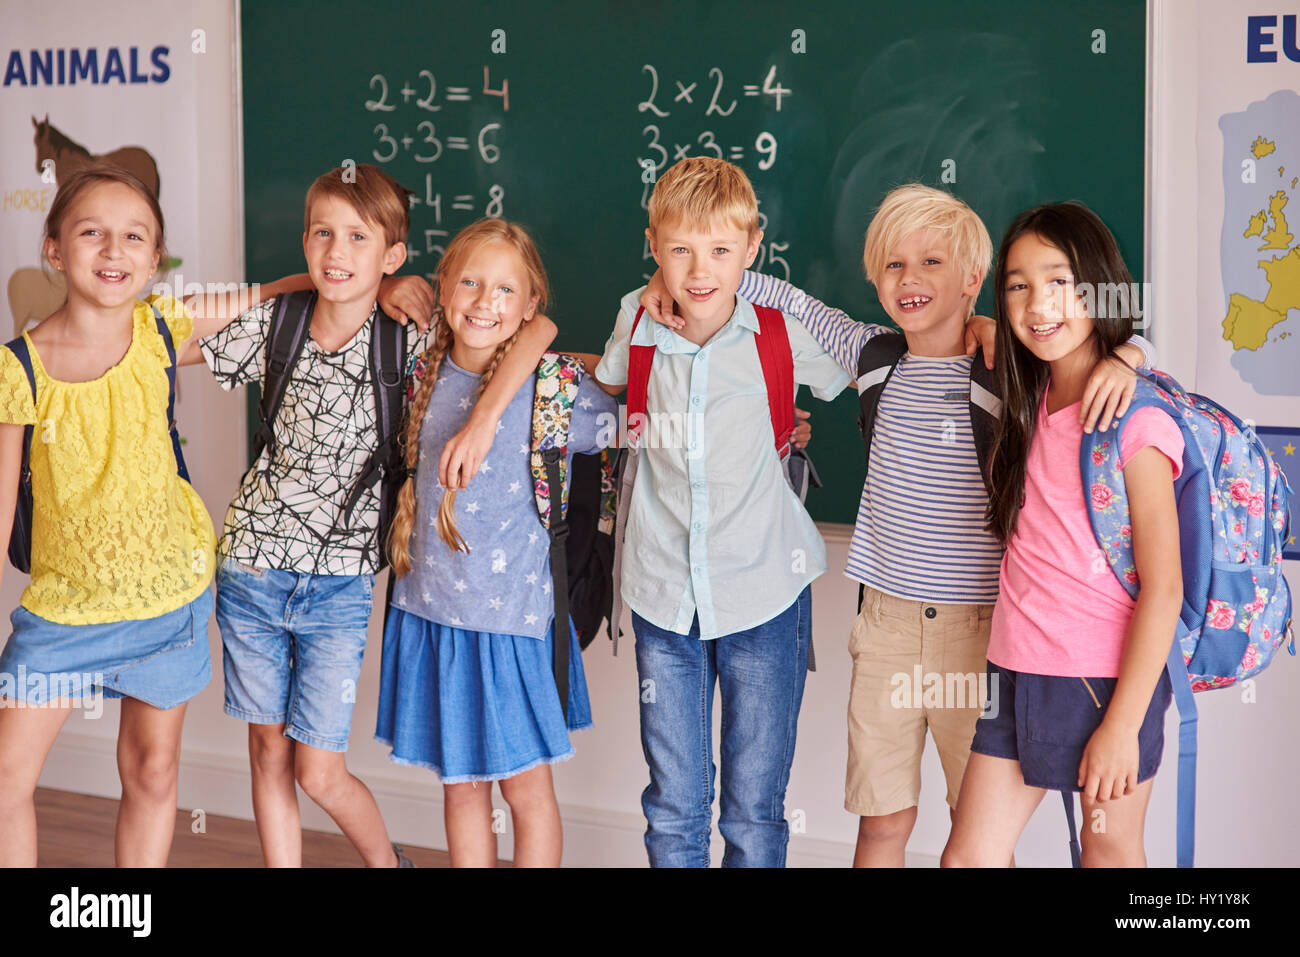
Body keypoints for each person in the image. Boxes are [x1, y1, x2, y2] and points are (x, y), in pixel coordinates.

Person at [640, 183, 1154, 866]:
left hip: (983, 631)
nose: (909, 280)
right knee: (882, 819)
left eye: (932, 263)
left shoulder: (1012, 370)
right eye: (892, 266)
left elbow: (1108, 334)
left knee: (972, 826)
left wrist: (1132, 354)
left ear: (976, 278)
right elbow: (774, 293)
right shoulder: (872, 358)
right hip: (885, 627)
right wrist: (662, 274)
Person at [194, 165, 558, 867]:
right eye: (324, 234)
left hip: (341, 580)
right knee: (268, 750)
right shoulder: (279, 322)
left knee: (317, 768)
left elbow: (536, 325)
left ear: (393, 256)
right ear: (304, 242)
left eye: (358, 237)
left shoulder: (414, 337)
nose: (337, 250)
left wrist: (483, 417)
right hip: (250, 566)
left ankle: (390, 863)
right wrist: (289, 288)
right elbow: (169, 330)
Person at [592, 157, 851, 867]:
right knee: (674, 807)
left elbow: (872, 361)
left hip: (764, 592)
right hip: (662, 594)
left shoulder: (779, 331)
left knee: (754, 811)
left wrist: (974, 326)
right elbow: (605, 381)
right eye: (679, 249)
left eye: (719, 251)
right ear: (654, 246)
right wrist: (645, 307)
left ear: (752, 249)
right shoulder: (635, 320)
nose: (699, 270)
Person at [942, 202, 1179, 868]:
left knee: (1106, 850)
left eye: (1059, 281)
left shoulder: (1136, 417)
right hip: (1016, 670)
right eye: (1018, 284)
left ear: (1099, 286)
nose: (1038, 302)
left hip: (1103, 679)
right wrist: (1131, 348)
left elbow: (1164, 587)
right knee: (969, 857)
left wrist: (1123, 724)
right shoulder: (1034, 394)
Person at [377, 218, 615, 867]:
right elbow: (364, 301)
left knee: (526, 788)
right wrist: (390, 286)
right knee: (461, 789)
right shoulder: (417, 364)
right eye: (471, 282)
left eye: (507, 289)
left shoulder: (555, 390)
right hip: (430, 616)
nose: (486, 301)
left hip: (511, 624)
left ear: (532, 304)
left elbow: (634, 397)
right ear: (444, 288)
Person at [0, 166, 218, 866]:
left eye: (134, 236)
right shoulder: (17, 368)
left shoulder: (162, 330)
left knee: (152, 771)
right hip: (64, 611)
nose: (113, 250)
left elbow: (278, 298)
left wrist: (381, 285)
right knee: (6, 775)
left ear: (156, 260)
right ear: (55, 248)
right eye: (92, 232)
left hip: (168, 597)